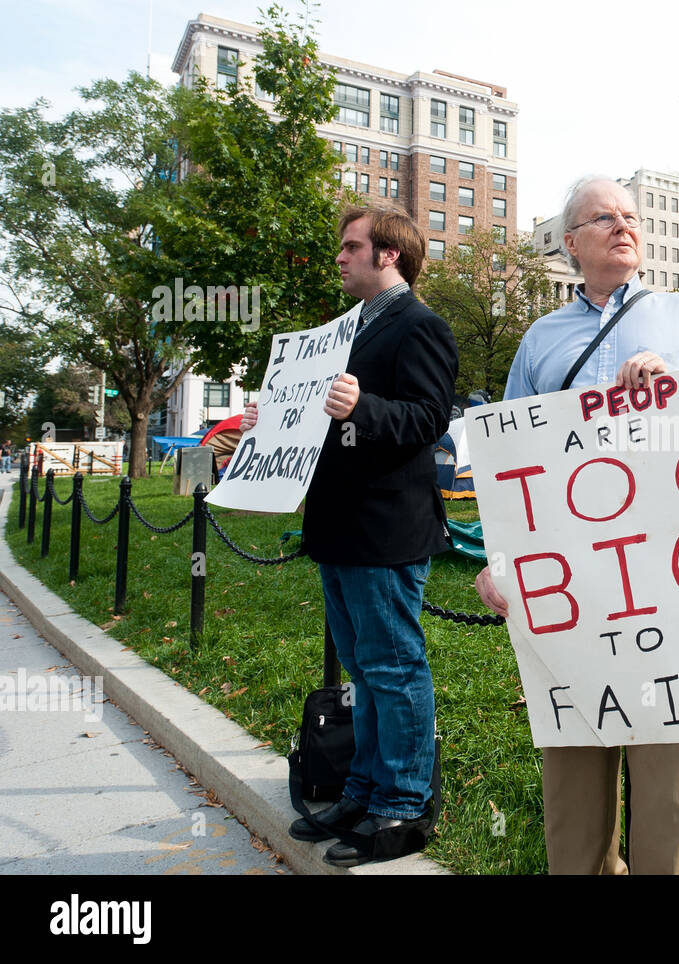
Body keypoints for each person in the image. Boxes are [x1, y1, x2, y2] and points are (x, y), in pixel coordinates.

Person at [474, 176, 679, 875]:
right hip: (574, 581)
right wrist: (500, 557)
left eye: (630, 216)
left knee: (670, 764)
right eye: (604, 217)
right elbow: (510, 462)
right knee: (574, 755)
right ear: (571, 242)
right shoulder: (541, 338)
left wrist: (673, 385)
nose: (623, 226)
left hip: (668, 572)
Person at [242, 204, 458, 866]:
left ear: (387, 254)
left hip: (387, 526)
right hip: (337, 525)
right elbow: (323, 419)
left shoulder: (420, 326)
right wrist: (272, 415)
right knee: (362, 669)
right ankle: (362, 791)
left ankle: (403, 803)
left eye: (350, 246)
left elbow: (426, 419)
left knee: (393, 667)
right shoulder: (342, 331)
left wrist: (360, 406)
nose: (339, 256)